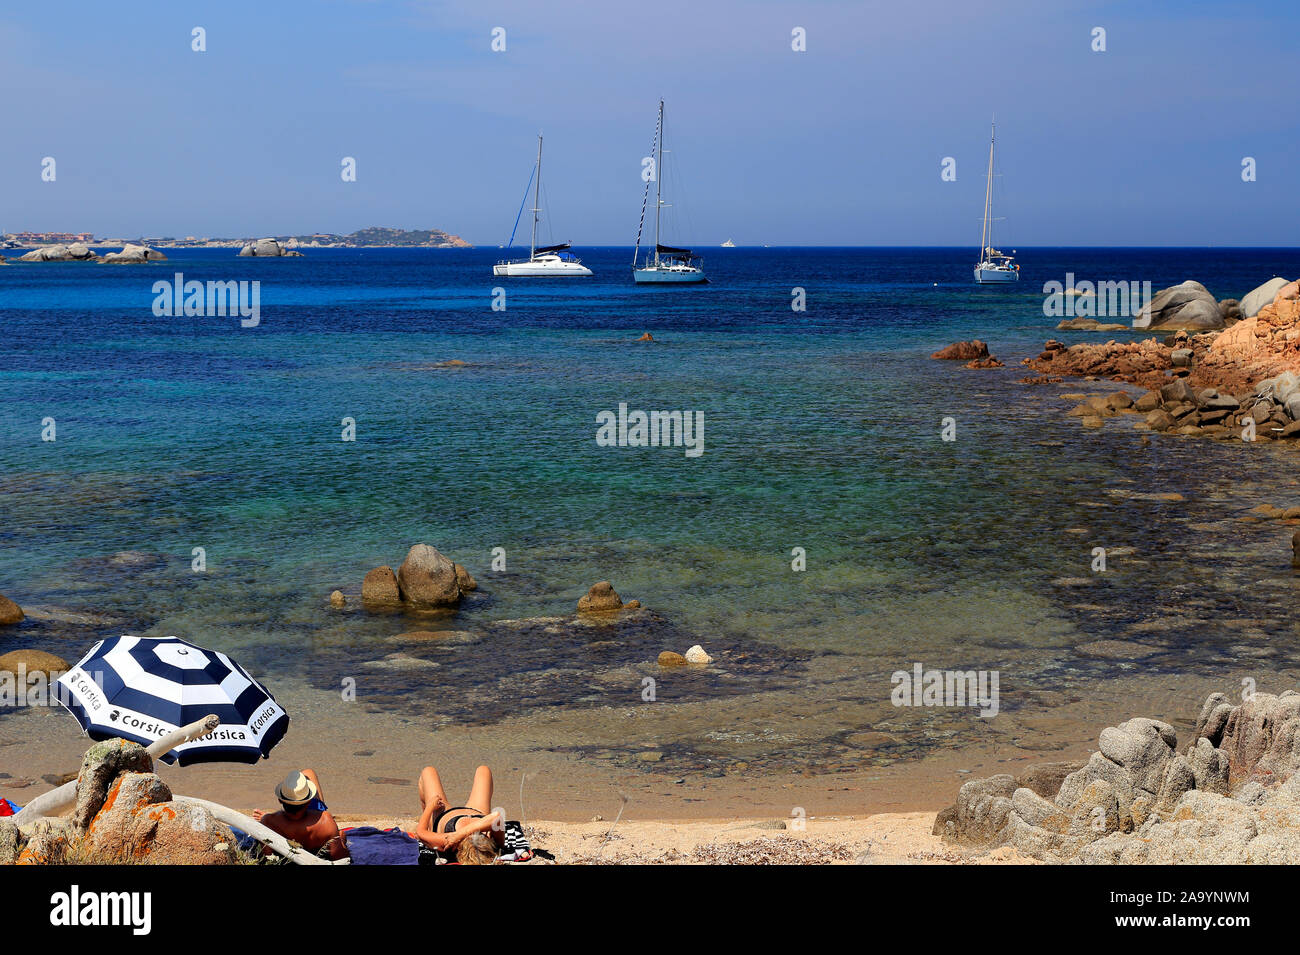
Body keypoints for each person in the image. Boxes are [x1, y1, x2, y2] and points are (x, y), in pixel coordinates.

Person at [413, 765, 505, 865]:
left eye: (470, 840)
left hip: (444, 813)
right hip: (476, 810)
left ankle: (431, 824)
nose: (474, 836)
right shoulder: (494, 842)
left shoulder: (448, 841)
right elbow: (497, 816)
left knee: (428, 772)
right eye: (480, 837)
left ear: (461, 848)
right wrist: (460, 834)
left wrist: (429, 807)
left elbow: (420, 832)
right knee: (484, 770)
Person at [253, 769, 345, 859]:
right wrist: (342, 838)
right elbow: (339, 858)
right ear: (309, 801)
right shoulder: (326, 821)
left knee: (306, 773)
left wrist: (270, 818)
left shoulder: (268, 822)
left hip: (279, 826)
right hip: (318, 829)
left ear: (280, 800)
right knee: (309, 772)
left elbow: (266, 857)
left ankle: (279, 816)